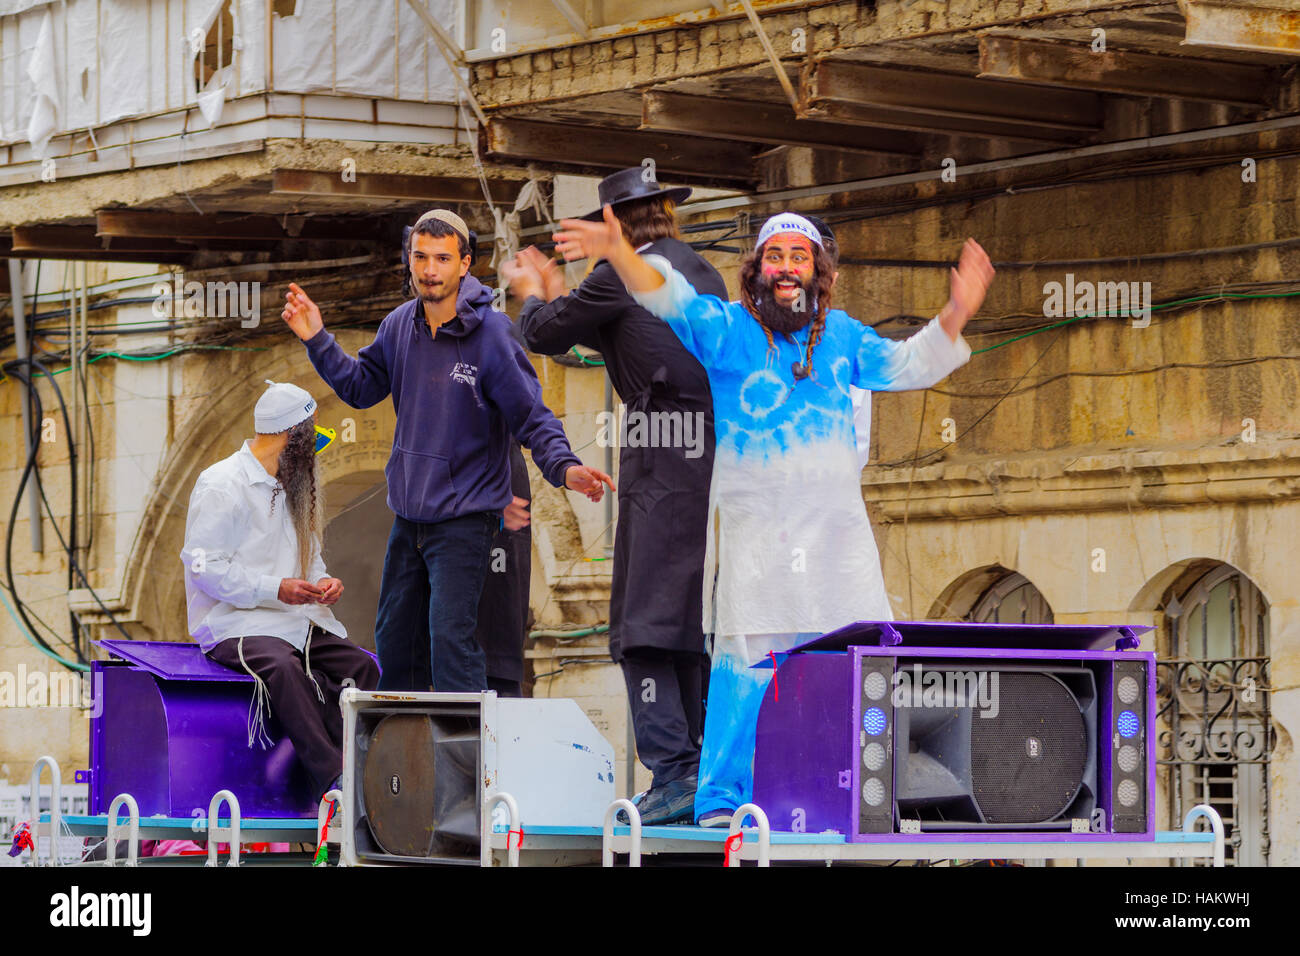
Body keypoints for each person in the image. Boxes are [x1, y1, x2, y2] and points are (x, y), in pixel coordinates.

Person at [552, 206, 994, 825]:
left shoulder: (842, 337)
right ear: (756, 270)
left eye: (800, 257)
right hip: (760, 544)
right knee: (746, 665)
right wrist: (620, 252)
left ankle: (875, 791)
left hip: (840, 547)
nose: (787, 269)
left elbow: (908, 364)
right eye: (776, 258)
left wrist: (957, 312)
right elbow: (670, 296)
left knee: (864, 665)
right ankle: (722, 801)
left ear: (820, 272)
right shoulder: (730, 332)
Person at [281, 209, 613, 693]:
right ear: (409, 260)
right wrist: (317, 338)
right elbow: (360, 387)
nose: (429, 269)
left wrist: (565, 468)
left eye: (441, 258)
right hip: (409, 521)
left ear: (465, 264)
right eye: (420, 257)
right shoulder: (398, 325)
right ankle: (406, 762)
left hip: (465, 521)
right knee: (395, 643)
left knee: (451, 643)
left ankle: (465, 764)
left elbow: (532, 415)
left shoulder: (493, 334)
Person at [503, 167, 724, 825]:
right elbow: (608, 329)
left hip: (660, 453)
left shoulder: (622, 272)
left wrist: (535, 292)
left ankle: (674, 771)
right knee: (684, 619)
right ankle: (698, 768)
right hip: (709, 452)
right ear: (666, 213)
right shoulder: (700, 270)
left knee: (639, 626)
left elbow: (543, 334)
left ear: (615, 225)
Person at [180, 381, 380, 802]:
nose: (315, 453)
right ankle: (335, 780)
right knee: (285, 669)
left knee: (363, 670)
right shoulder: (221, 484)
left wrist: (323, 584)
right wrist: (276, 589)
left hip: (294, 621)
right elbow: (204, 568)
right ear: (293, 438)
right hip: (233, 623)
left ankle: (368, 771)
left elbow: (309, 562)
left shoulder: (292, 485)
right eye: (312, 439)